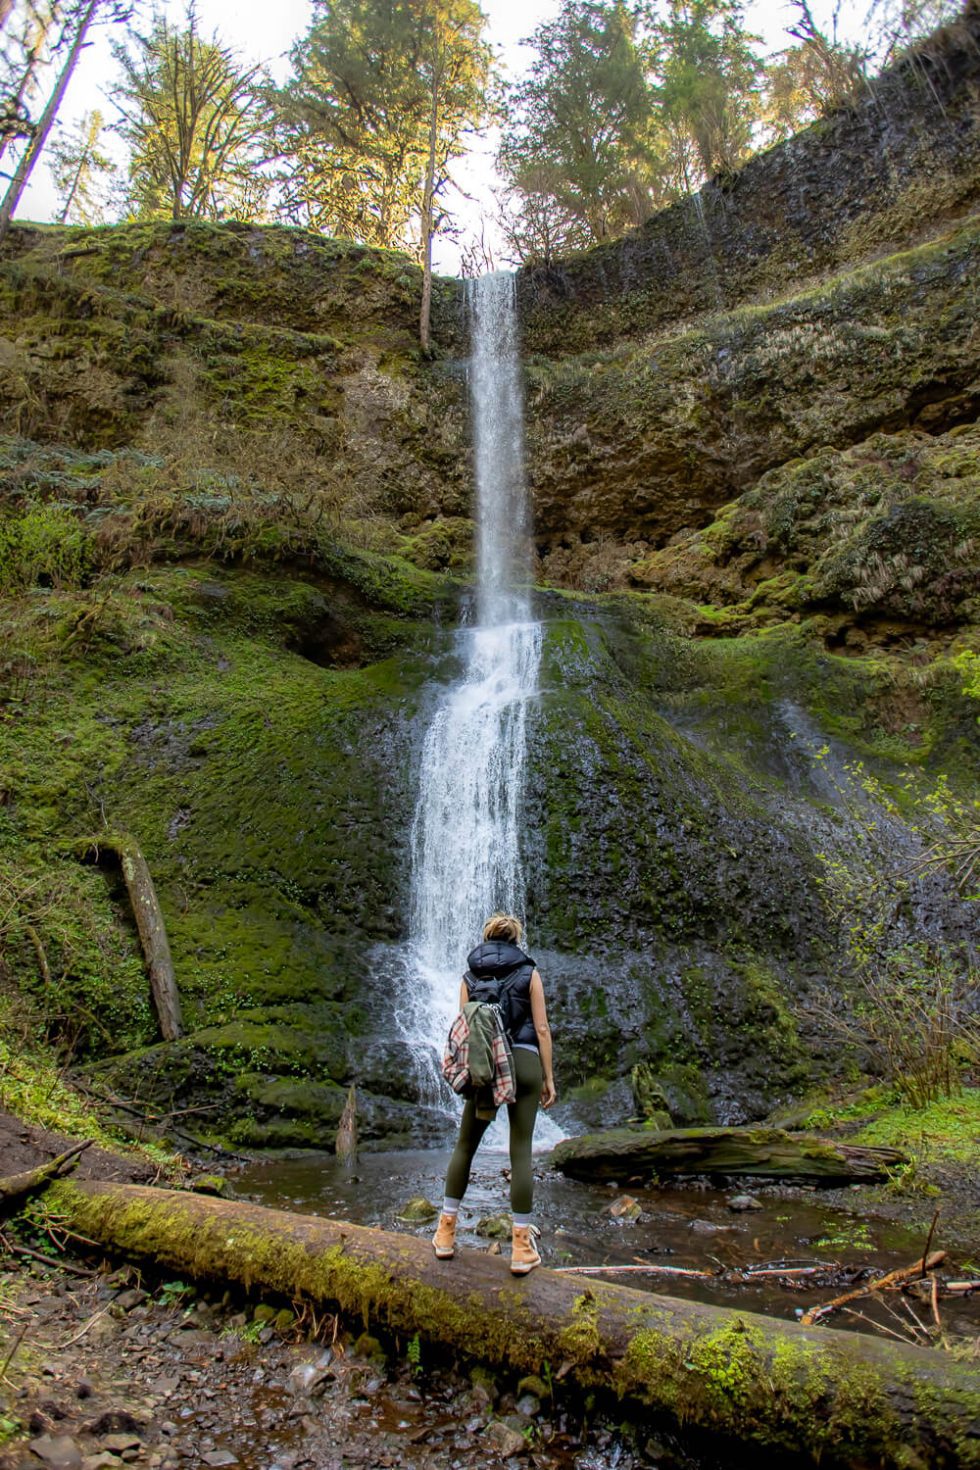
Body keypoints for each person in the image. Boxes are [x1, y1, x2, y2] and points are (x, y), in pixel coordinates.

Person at [432, 913, 556, 1275]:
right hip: (525, 1061)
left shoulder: (469, 977)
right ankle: (520, 1248)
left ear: (486, 940)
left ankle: (444, 1235)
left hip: (488, 1065)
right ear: (515, 939)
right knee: (521, 1150)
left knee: (465, 1146)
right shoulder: (529, 972)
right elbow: (543, 1027)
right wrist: (548, 1077)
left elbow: (467, 1027)